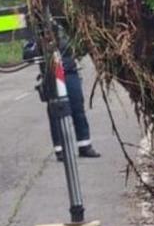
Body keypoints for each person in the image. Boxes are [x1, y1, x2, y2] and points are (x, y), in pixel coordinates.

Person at [23, 28, 101, 161]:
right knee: (56, 112)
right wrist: (42, 45)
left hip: (70, 72)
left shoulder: (65, 28)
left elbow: (81, 48)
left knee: (78, 108)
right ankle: (60, 150)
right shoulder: (39, 29)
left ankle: (85, 145)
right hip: (51, 76)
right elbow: (27, 54)